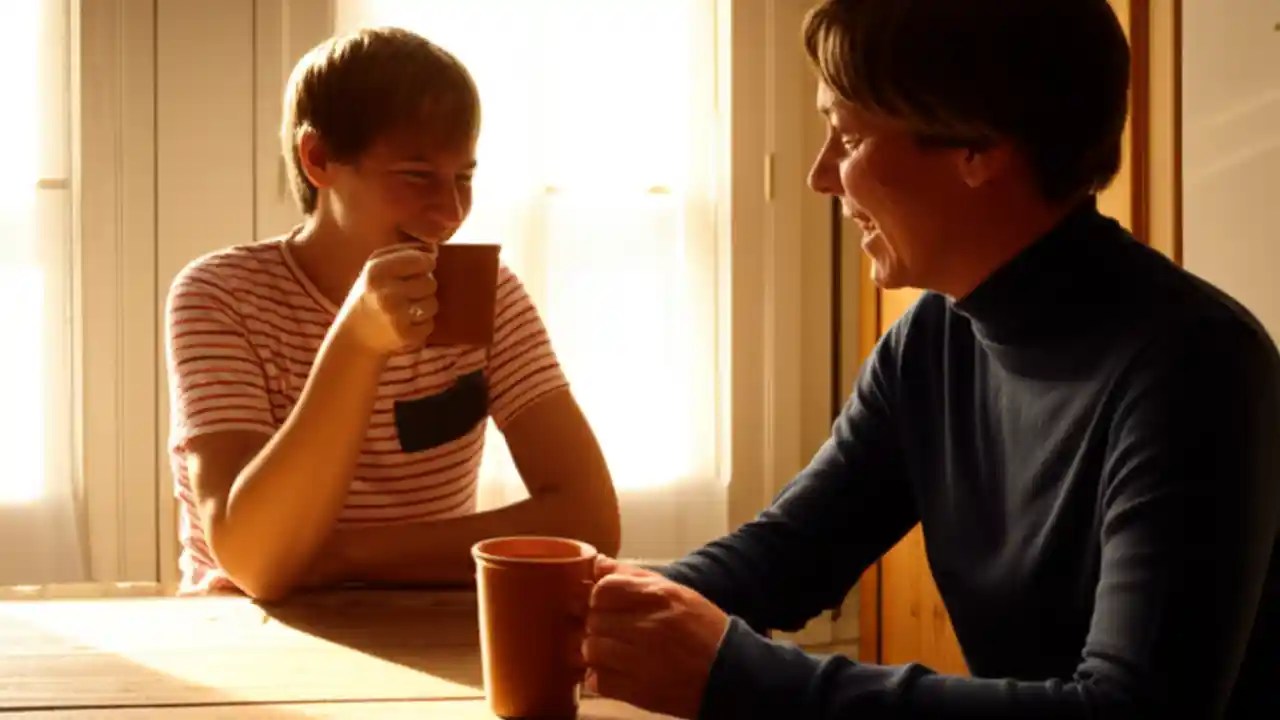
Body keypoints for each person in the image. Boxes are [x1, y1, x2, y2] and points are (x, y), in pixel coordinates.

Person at [581, 1, 1279, 717]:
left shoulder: (1196, 369)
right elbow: (790, 553)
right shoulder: (934, 341)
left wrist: (735, 675)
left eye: (847, 137)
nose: (823, 176)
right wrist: (595, 600)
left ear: (979, 147)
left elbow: (1132, 711)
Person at [163, 27, 620, 601]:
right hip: (245, 636)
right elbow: (257, 562)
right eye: (417, 176)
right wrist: (356, 343)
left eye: (464, 178)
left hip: (422, 623)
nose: (450, 212)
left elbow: (591, 522)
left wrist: (343, 554)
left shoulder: (489, 295)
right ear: (319, 158)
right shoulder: (220, 295)